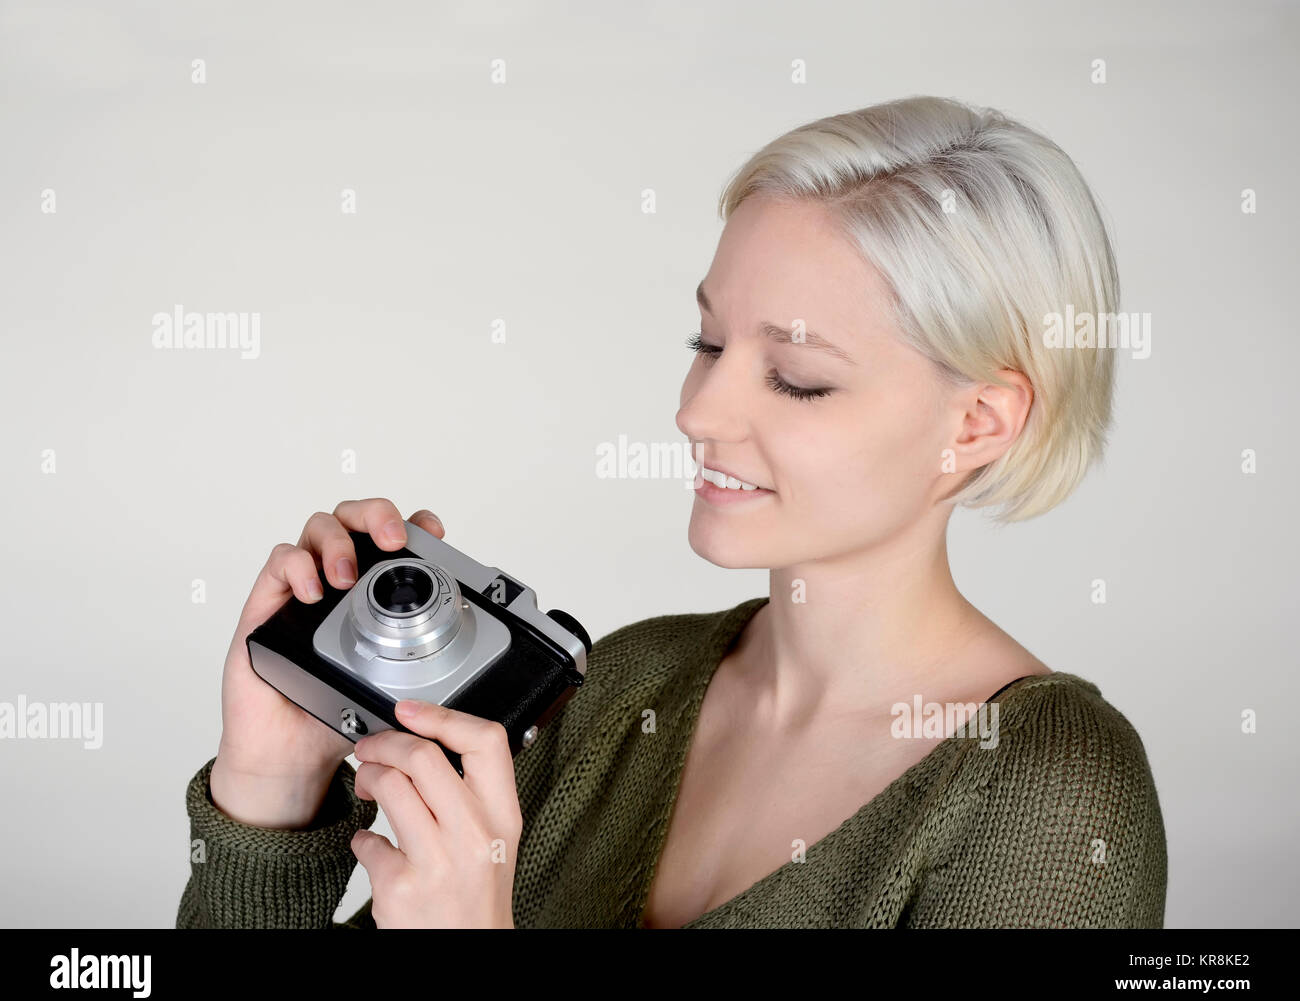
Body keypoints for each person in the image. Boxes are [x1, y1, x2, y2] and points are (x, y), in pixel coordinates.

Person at [178, 95, 1168, 929]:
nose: (695, 412)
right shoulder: (621, 688)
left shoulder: (1051, 791)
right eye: (706, 342)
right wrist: (271, 792)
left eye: (796, 377)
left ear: (979, 422)